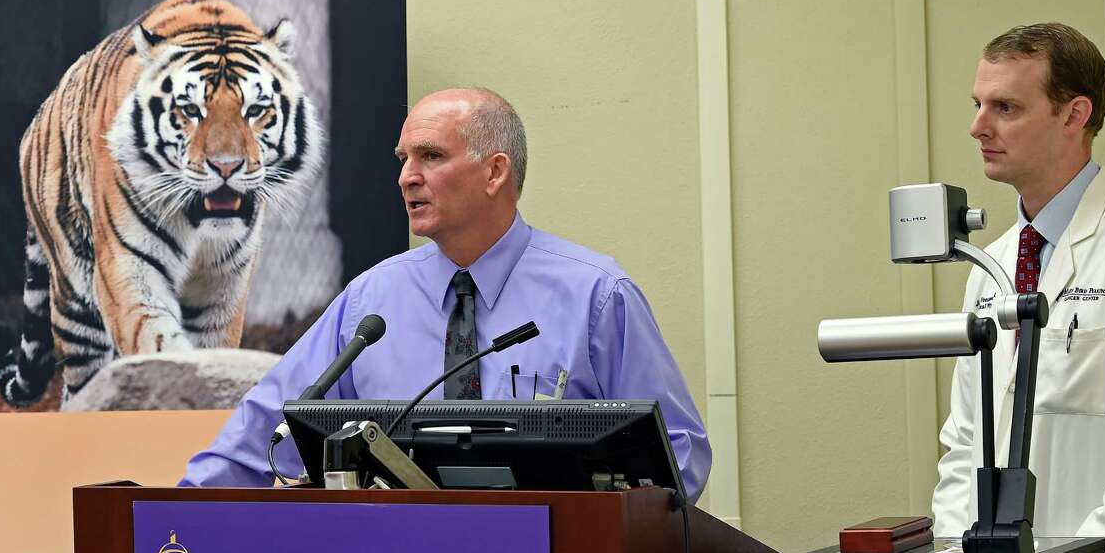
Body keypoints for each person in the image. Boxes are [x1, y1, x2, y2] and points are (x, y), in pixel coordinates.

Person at [179, 87, 712, 501]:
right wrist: (160, 523)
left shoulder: (597, 296)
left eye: (430, 156)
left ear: (494, 172)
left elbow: (680, 456)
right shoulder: (371, 302)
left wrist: (612, 530)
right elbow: (263, 430)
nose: (407, 177)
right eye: (403, 159)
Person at [932, 23, 1105, 553]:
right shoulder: (990, 268)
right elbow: (965, 444)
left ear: (1074, 116)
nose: (977, 126)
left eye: (1005, 107)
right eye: (978, 104)